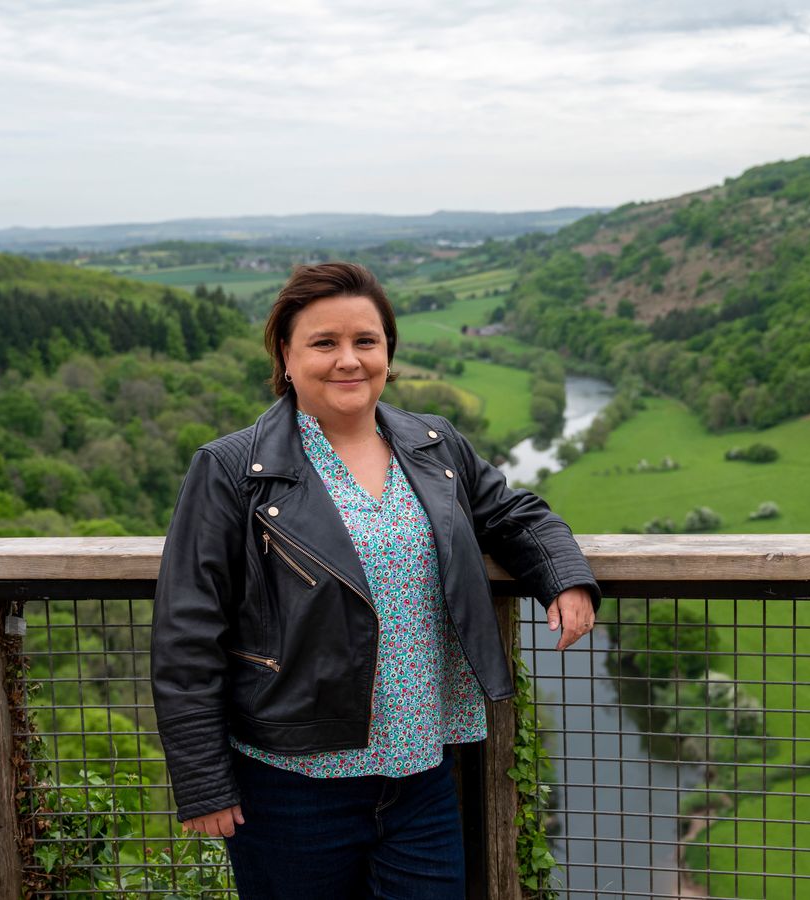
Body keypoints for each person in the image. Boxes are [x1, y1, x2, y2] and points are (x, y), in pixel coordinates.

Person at [151, 262, 599, 899]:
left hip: (421, 776)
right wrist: (202, 781)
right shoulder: (232, 470)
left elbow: (511, 512)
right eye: (324, 343)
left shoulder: (433, 443)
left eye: (365, 341)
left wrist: (564, 578)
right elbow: (186, 634)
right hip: (291, 788)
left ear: (388, 350)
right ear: (285, 353)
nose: (348, 360)